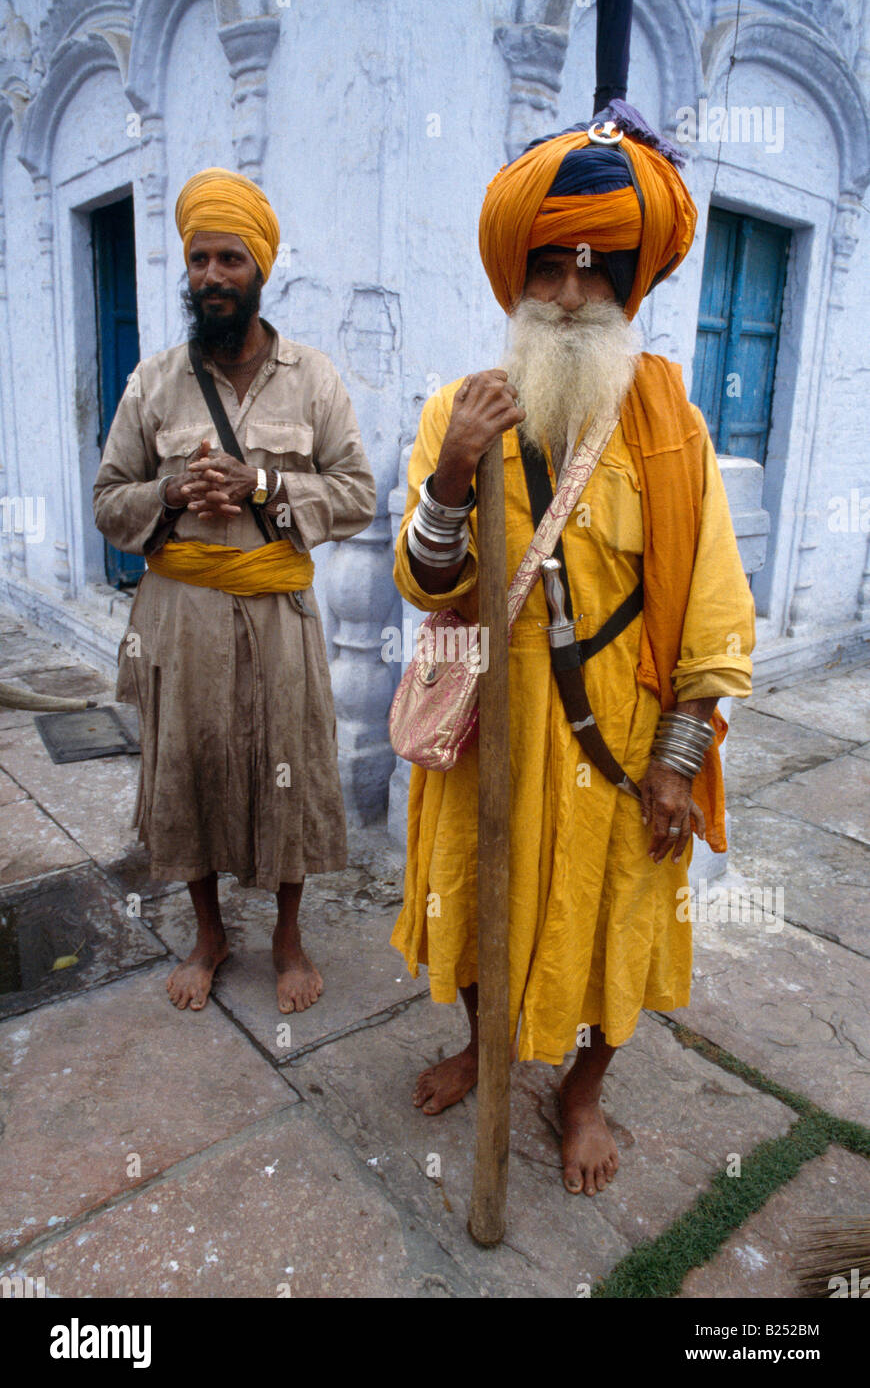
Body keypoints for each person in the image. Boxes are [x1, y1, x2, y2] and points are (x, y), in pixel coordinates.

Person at [390, 110, 755, 1195]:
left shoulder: (673, 428)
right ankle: (485, 1044)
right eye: (546, 267)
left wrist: (680, 762)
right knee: (474, 905)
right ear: (518, 278)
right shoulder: (460, 408)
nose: (565, 294)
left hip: (621, 747)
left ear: (629, 286)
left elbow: (717, 618)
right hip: (486, 738)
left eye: (592, 271)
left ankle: (583, 1091)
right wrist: (454, 474)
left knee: (615, 928)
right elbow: (423, 581)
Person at [94, 167, 376, 1016]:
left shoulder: (314, 379)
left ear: (260, 268)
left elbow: (358, 494)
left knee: (282, 770)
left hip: (278, 613)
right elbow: (109, 501)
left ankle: (289, 938)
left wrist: (263, 489)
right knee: (188, 769)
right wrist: (172, 495)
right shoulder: (152, 383)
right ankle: (210, 935)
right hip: (178, 617)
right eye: (198, 260)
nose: (212, 276)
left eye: (228, 259)